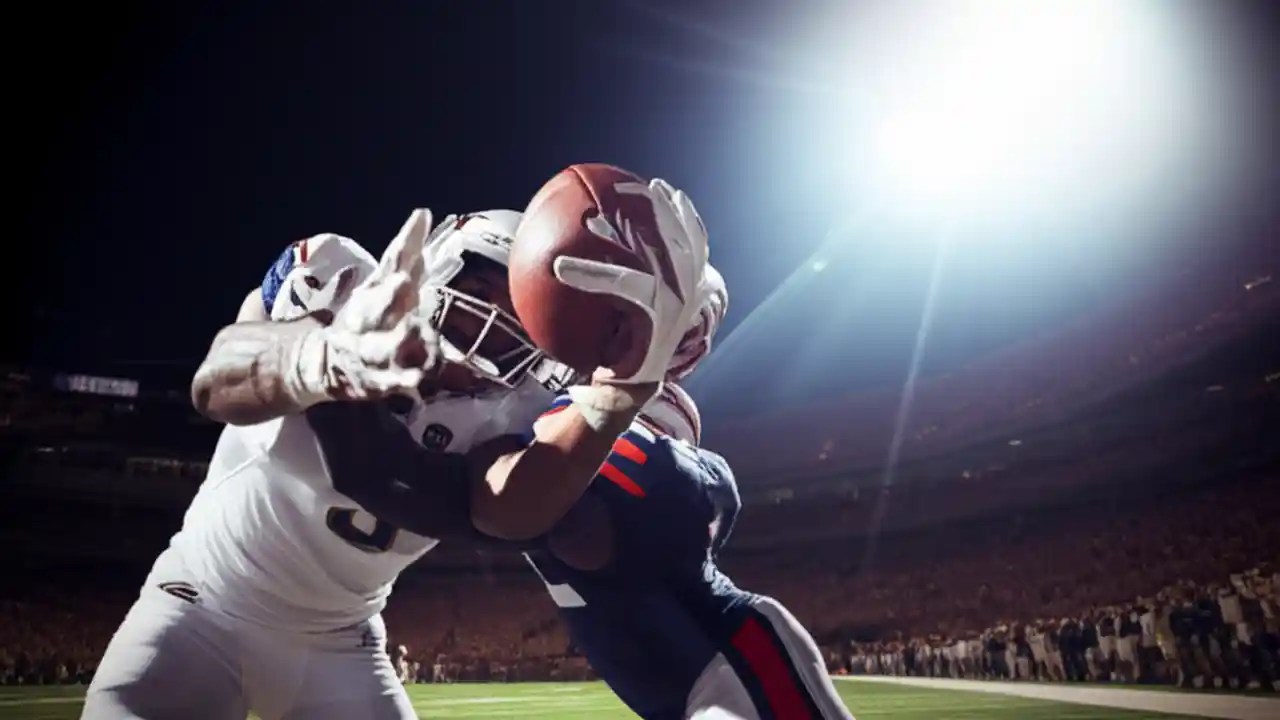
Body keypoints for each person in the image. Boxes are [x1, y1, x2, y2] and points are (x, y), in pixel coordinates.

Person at [85, 181, 711, 720]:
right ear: (436, 268)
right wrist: (320, 356)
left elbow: (500, 509)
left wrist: (619, 393)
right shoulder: (341, 285)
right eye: (469, 312)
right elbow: (215, 382)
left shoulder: (514, 409)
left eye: (509, 336)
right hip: (200, 605)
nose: (479, 344)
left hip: (338, 642)